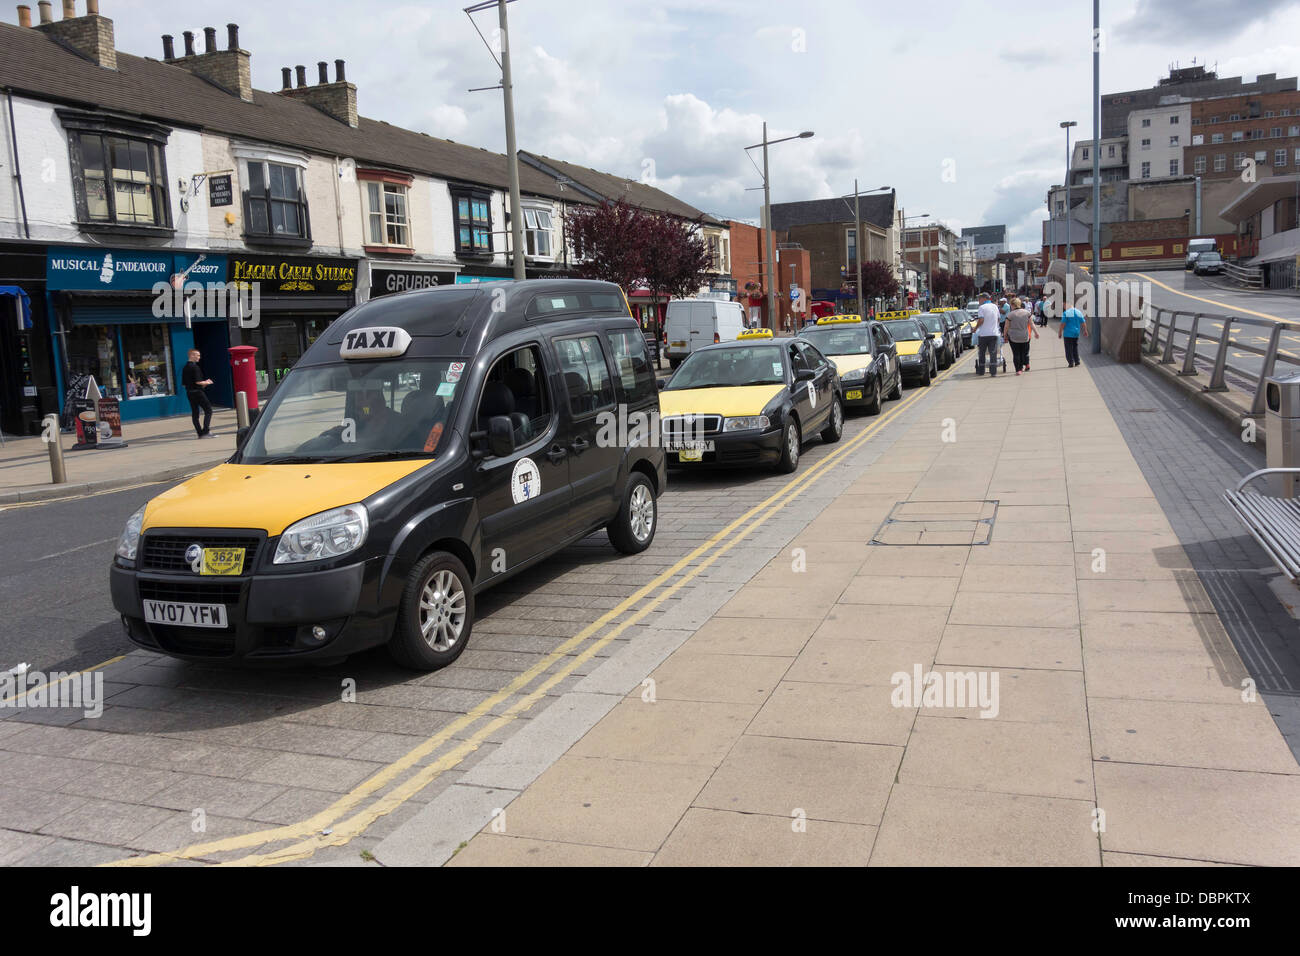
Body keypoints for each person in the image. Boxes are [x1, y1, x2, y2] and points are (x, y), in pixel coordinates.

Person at [182, 349, 214, 438]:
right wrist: (207, 382)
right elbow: (198, 382)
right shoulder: (195, 367)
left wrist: (203, 383)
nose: (199, 357)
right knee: (208, 410)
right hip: (198, 393)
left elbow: (184, 384)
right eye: (197, 355)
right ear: (192, 355)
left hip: (189, 393)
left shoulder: (185, 367)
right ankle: (206, 431)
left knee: (195, 413)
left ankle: (200, 433)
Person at [1004, 297, 1038, 375]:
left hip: (1013, 337)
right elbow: (1032, 324)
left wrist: (1005, 335)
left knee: (1016, 353)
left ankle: (1018, 369)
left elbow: (1006, 327)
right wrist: (1036, 332)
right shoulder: (1027, 313)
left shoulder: (1010, 315)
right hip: (1025, 336)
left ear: (1012, 305)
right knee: (1023, 352)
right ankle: (1024, 365)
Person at [974, 292, 1002, 378]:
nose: (978, 300)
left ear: (984, 299)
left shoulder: (981, 308)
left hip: (983, 334)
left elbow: (981, 320)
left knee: (982, 353)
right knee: (993, 353)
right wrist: (995, 327)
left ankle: (982, 371)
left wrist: (975, 328)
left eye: (979, 298)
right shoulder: (995, 306)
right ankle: (993, 372)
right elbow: (998, 319)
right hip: (993, 334)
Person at [1059, 301, 1089, 368]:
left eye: (1064, 305)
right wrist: (1085, 330)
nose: (1064, 307)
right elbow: (1083, 322)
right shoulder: (1078, 312)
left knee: (1068, 348)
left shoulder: (1066, 313)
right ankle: (1077, 361)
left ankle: (1071, 362)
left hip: (1068, 334)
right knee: (1075, 347)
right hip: (1076, 333)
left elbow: (1063, 324)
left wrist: (1060, 332)